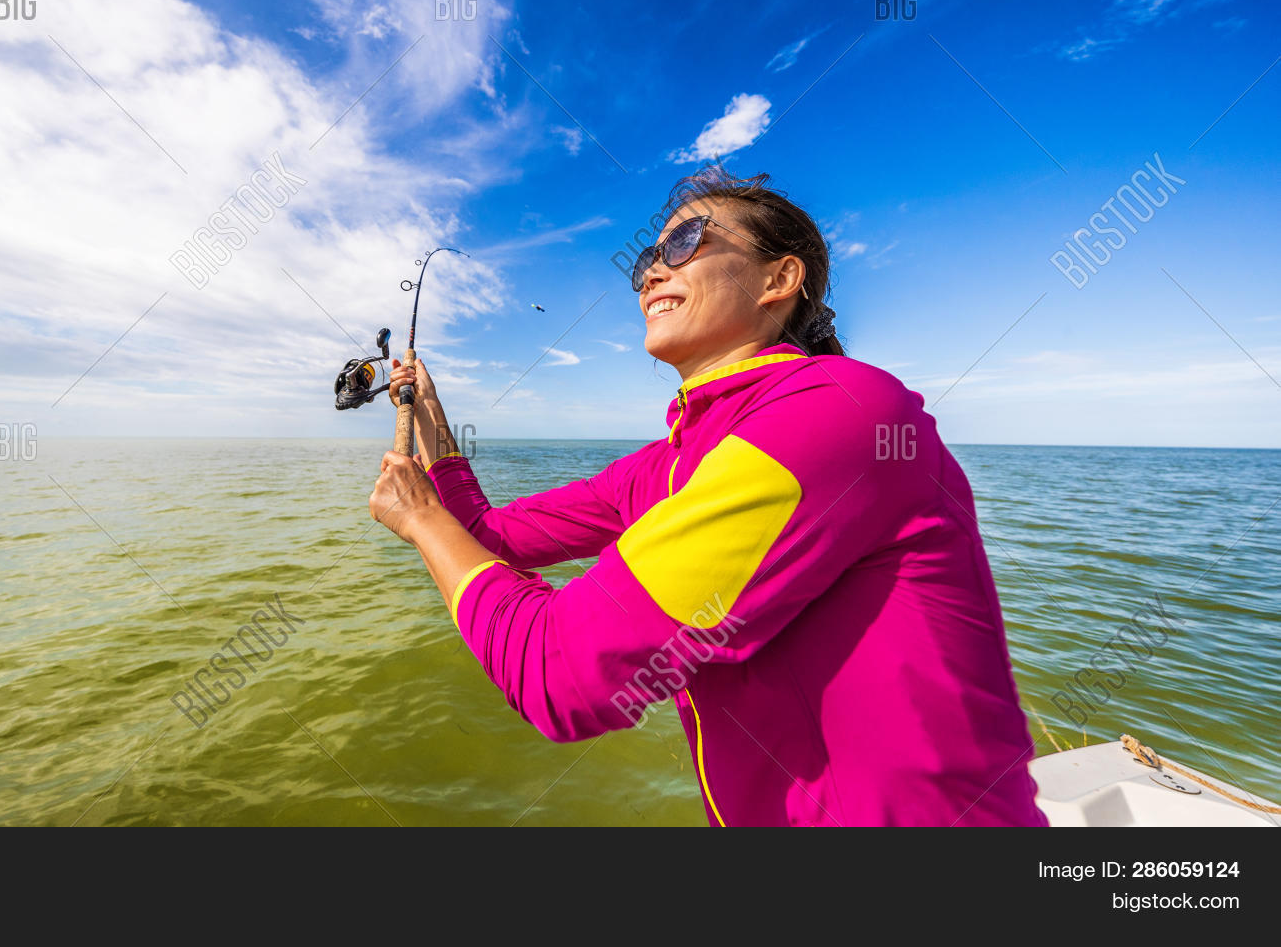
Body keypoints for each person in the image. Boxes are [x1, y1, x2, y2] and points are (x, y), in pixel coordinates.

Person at [369, 164, 1046, 826]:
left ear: (779, 280)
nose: (653, 274)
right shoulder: (672, 464)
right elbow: (488, 538)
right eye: (646, 263)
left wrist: (423, 521)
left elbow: (559, 674)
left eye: (686, 244)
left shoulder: (845, 414)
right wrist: (429, 413)